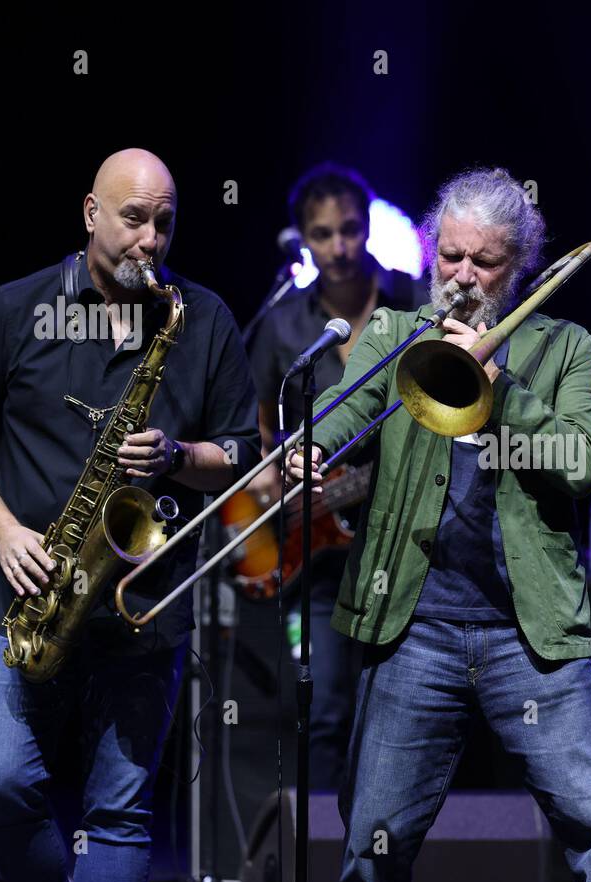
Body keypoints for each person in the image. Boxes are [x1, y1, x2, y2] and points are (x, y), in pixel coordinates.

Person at [286, 167, 591, 882]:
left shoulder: (565, 348)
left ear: (516, 265)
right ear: (430, 250)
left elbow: (580, 463)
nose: (461, 276)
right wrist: (312, 444)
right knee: (372, 846)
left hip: (530, 636)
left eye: (483, 263)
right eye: (449, 256)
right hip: (415, 631)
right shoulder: (393, 332)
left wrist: (501, 388)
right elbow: (346, 404)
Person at [0, 149, 260, 882]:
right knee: (5, 785)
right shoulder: (14, 310)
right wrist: (6, 531)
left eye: (165, 224)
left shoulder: (200, 317)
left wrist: (181, 455)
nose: (150, 241)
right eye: (133, 219)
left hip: (139, 604)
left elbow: (241, 455)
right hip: (29, 598)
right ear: (90, 213)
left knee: (119, 814)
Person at [243, 163, 429, 791]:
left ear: (370, 226)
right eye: (322, 235)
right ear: (303, 239)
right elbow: (256, 430)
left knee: (405, 715)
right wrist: (270, 486)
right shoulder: (280, 326)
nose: (340, 247)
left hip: (408, 542)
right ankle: (322, 863)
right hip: (313, 554)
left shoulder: (415, 302)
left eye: (350, 229)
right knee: (322, 711)